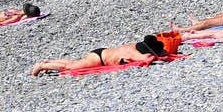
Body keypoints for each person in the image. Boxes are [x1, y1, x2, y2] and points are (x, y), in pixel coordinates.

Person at [29, 33, 175, 76]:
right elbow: (147, 59)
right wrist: (163, 56)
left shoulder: (133, 46)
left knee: (74, 62)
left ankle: (50, 62)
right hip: (100, 59)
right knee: (72, 67)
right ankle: (41, 66)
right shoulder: (134, 52)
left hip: (101, 53)